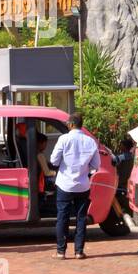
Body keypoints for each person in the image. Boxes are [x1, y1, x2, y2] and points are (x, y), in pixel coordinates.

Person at [49, 111, 101, 260]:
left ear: (71, 124)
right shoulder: (90, 141)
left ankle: (61, 251)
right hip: (83, 185)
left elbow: (54, 160)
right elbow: (96, 164)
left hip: (65, 184)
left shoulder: (63, 139)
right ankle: (79, 251)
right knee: (81, 218)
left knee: (62, 217)